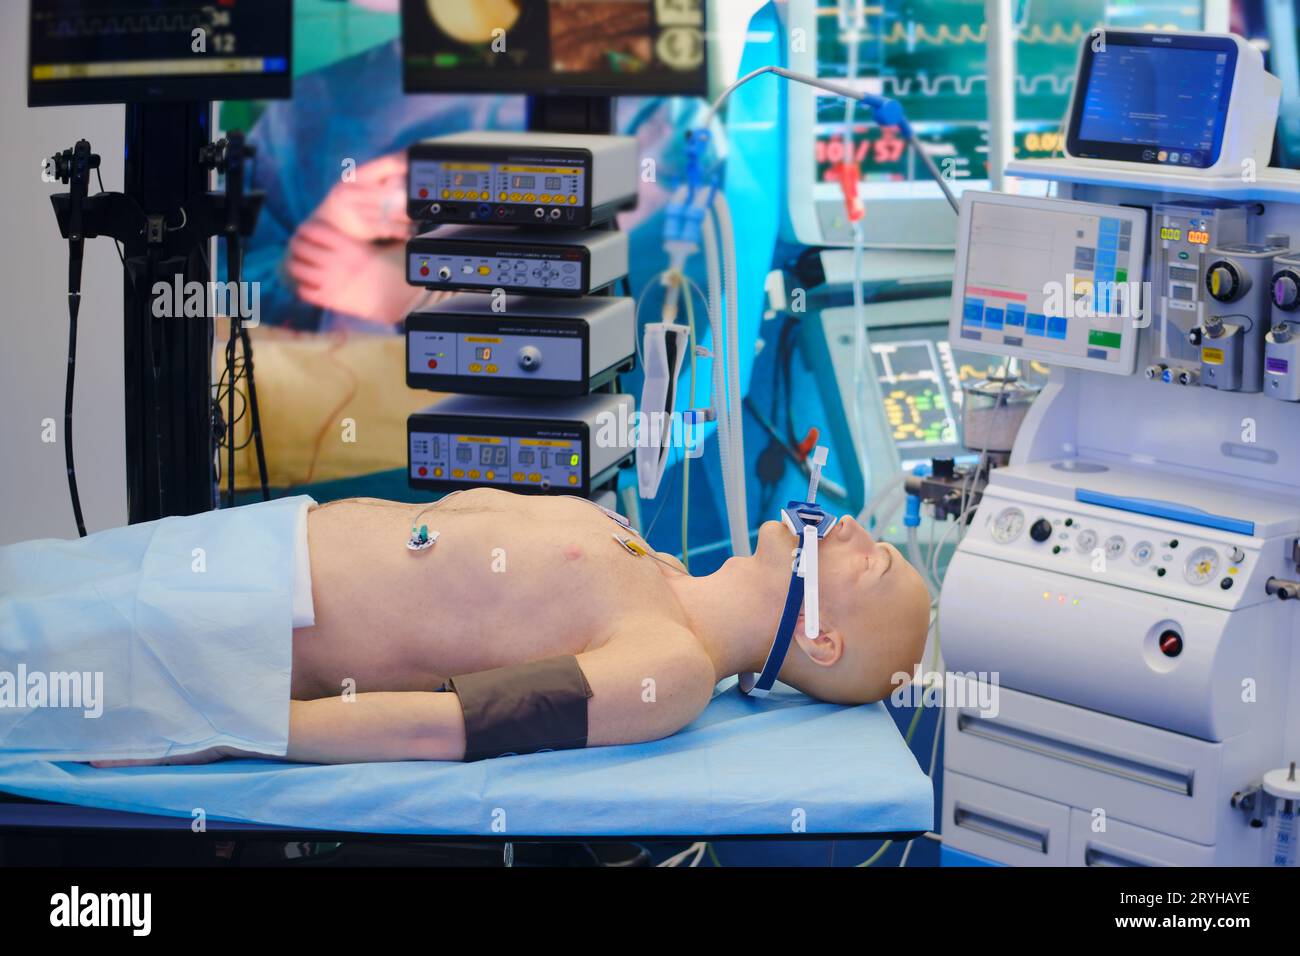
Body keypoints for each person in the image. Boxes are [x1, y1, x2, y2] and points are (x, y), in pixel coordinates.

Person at [90, 489, 930, 766]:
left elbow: (449, 725)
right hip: (242, 544)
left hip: (230, 630)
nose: (851, 527)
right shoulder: (660, 569)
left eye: (874, 561)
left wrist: (237, 727)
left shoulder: (667, 670)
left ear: (821, 639)